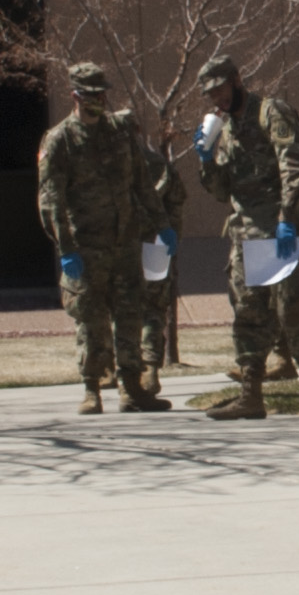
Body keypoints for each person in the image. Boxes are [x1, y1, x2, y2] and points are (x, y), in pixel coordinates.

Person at [193, 52, 299, 421]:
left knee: (292, 313)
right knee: (248, 315)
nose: (217, 99)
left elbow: (295, 167)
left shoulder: (271, 113)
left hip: (279, 233)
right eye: (211, 94)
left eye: (221, 89)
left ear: (236, 80)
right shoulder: (225, 129)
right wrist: (206, 160)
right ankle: (251, 396)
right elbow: (222, 190)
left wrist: (288, 218)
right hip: (246, 237)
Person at [37, 63, 147, 415]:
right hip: (86, 247)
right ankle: (91, 389)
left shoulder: (118, 131)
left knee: (129, 316)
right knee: (91, 319)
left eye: (102, 94)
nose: (99, 101)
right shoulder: (60, 139)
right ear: (75, 96)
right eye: (91, 96)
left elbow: (140, 180)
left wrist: (160, 225)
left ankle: (132, 388)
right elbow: (50, 199)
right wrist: (66, 247)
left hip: (124, 242)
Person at [119, 108, 186, 412]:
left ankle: (139, 374)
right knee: (151, 310)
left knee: (133, 312)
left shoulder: (116, 167)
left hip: (135, 246)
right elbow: (177, 201)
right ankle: (148, 371)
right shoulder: (157, 164)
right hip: (149, 246)